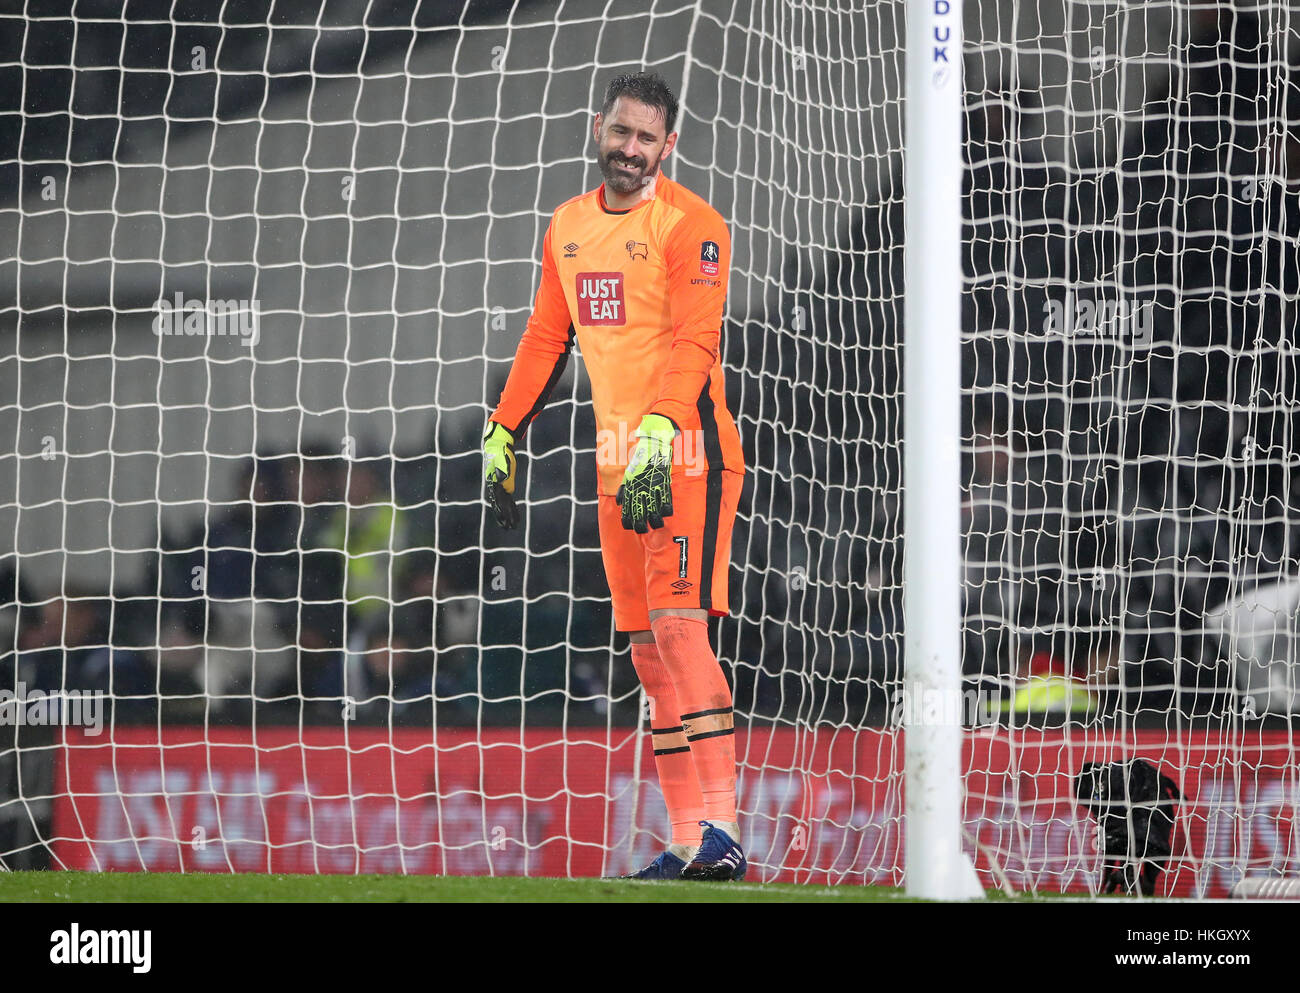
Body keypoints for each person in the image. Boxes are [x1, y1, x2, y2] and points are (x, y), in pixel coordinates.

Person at [481, 72, 747, 881]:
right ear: (600, 128)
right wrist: (502, 427)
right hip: (612, 460)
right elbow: (543, 335)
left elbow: (695, 344)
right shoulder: (566, 225)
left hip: (684, 450)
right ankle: (687, 836)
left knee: (678, 629)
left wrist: (660, 434)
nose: (631, 150)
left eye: (647, 139)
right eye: (621, 132)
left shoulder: (694, 225)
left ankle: (726, 836)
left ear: (669, 146)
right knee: (642, 651)